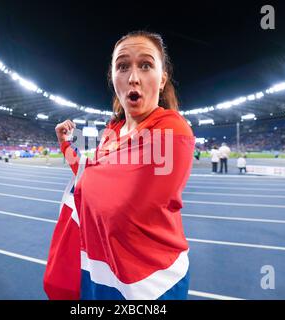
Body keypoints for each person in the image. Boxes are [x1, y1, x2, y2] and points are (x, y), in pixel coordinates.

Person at [44, 31, 195, 300]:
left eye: (146, 65)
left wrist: (87, 165)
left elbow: (116, 196)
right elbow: (91, 175)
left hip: (148, 283)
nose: (133, 77)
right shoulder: (111, 130)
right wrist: (67, 146)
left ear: (162, 79)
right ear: (113, 78)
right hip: (99, 269)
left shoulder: (171, 130)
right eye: (122, 66)